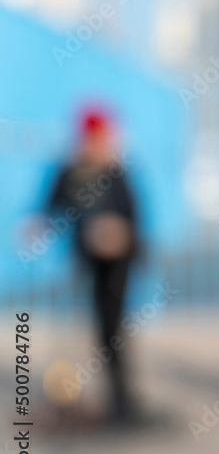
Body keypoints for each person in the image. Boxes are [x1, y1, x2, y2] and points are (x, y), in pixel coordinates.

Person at [43, 104, 142, 427]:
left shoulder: (115, 174)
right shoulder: (70, 172)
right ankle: (78, 397)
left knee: (111, 329)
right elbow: (50, 207)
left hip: (116, 266)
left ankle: (122, 401)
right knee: (84, 329)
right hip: (86, 261)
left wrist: (116, 235)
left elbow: (132, 223)